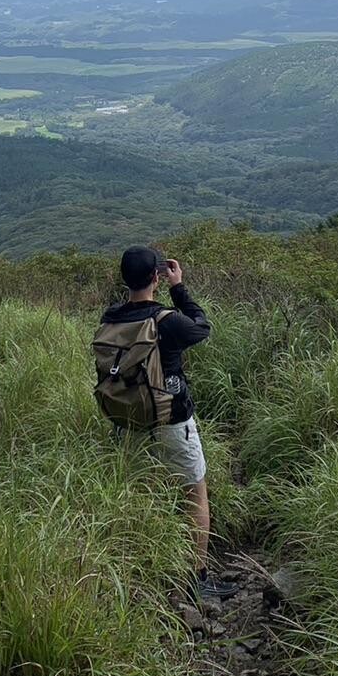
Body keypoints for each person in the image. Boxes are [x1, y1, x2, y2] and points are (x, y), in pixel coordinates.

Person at [99, 246, 238, 601]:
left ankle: (142, 571)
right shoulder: (166, 320)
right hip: (172, 421)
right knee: (195, 494)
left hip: (127, 423)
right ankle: (197, 579)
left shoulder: (110, 319)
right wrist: (180, 289)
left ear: (124, 278)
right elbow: (201, 327)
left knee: (142, 494)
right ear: (157, 278)